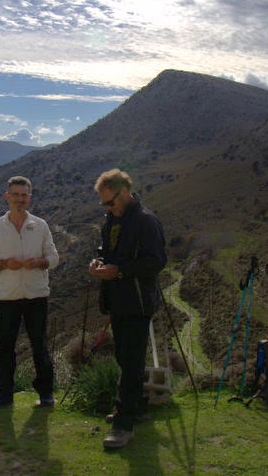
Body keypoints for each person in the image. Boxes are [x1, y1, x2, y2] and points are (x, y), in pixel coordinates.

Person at [89, 168, 166, 449]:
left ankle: (123, 425)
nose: (108, 208)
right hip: (118, 300)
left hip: (137, 301)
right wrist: (98, 263)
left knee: (131, 361)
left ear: (124, 193)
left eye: (111, 202)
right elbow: (110, 251)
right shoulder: (112, 219)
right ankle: (139, 406)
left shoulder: (146, 220)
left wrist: (119, 271)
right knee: (125, 357)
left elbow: (156, 261)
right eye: (104, 204)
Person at [0, 176, 59, 408]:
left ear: (29, 198)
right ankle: (4, 394)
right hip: (7, 297)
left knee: (39, 345)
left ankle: (46, 394)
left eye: (24, 195)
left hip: (36, 295)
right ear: (7, 197)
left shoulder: (41, 226)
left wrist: (40, 262)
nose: (20, 200)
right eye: (15, 195)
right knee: (6, 347)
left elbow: (54, 258)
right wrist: (5, 264)